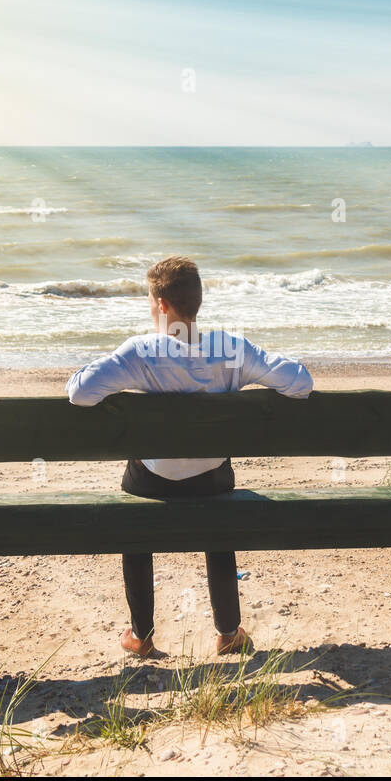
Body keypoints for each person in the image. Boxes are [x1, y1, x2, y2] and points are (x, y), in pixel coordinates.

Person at [66, 256, 314, 658]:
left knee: (134, 506)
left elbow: (79, 392)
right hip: (212, 482)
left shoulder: (141, 352)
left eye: (149, 301)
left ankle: (141, 634)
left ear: (162, 304)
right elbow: (300, 383)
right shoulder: (231, 347)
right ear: (196, 301)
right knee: (218, 512)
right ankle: (229, 632)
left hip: (152, 486)